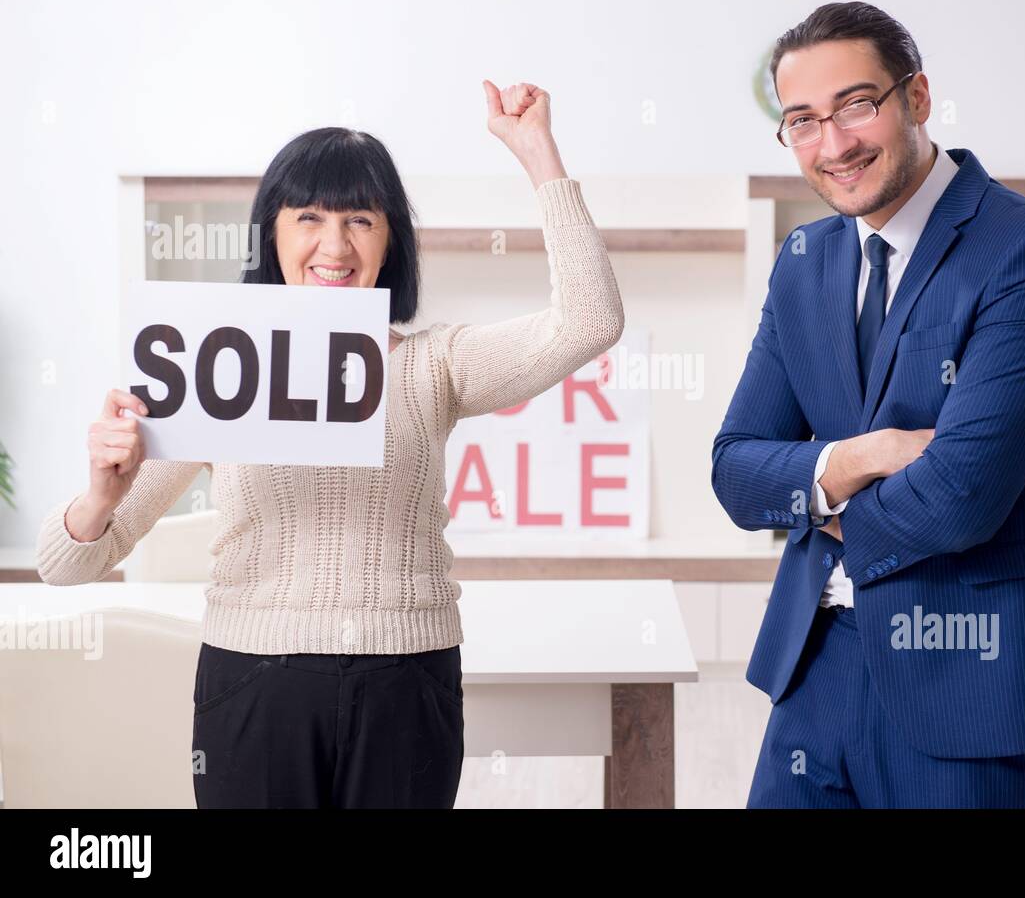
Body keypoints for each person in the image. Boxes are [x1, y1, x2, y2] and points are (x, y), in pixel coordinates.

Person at [34, 81, 625, 808]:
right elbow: (64, 565)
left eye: (361, 219)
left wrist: (538, 151)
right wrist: (101, 494)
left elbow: (590, 320)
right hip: (253, 683)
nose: (335, 245)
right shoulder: (217, 370)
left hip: (408, 684)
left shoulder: (433, 363)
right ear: (272, 233)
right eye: (308, 216)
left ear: (391, 241)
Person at [711, 2, 1025, 808]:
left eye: (856, 105)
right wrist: (860, 456)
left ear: (917, 98)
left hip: (978, 686)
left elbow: (961, 496)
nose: (834, 144)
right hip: (816, 668)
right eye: (802, 120)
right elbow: (735, 468)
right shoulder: (805, 259)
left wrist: (814, 498)